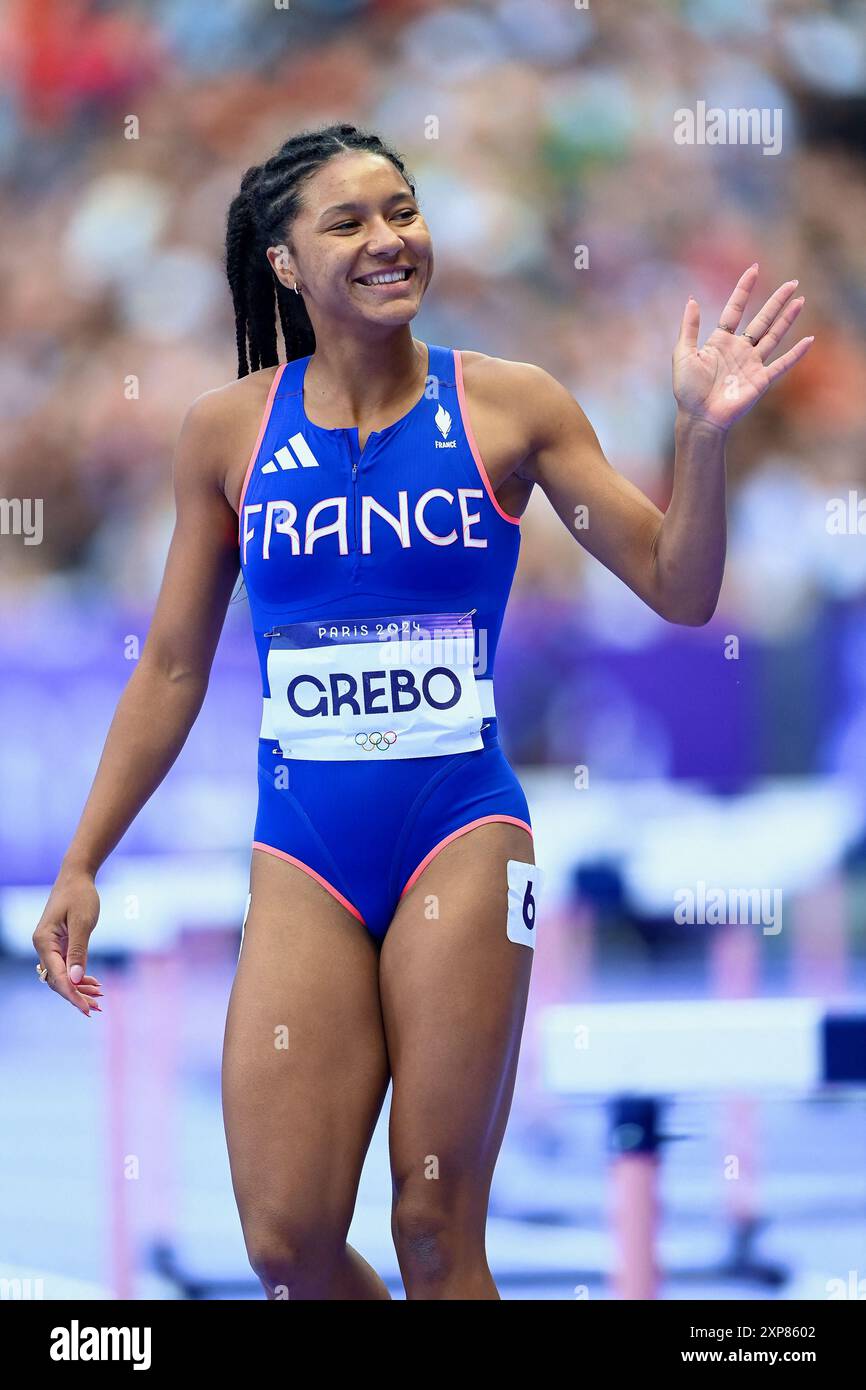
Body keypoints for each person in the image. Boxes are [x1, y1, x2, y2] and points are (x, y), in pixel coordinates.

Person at [32, 123, 813, 1300]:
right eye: (347, 223)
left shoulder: (511, 409)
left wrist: (699, 440)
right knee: (285, 1241)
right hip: (303, 848)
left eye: (401, 210)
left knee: (434, 1229)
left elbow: (678, 585)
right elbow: (174, 669)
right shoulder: (226, 431)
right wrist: (84, 857)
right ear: (283, 263)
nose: (389, 239)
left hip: (460, 826)